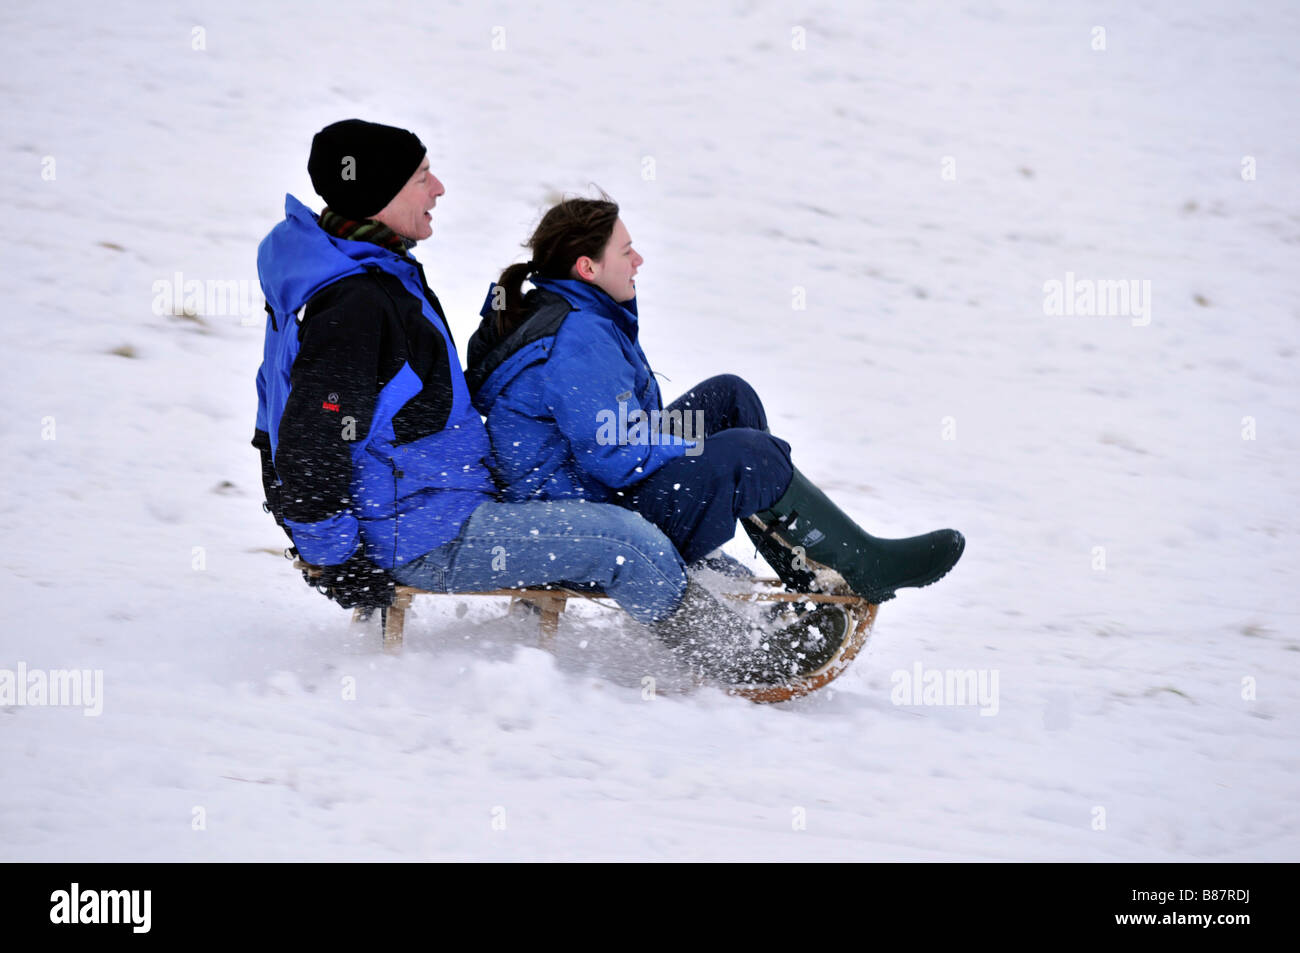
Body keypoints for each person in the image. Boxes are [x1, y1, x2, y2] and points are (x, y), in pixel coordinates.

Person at [252, 120, 844, 686]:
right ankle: (746, 660)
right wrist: (336, 561)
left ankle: (741, 595)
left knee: (651, 501)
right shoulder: (354, 300)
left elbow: (277, 409)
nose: (438, 188)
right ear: (378, 194)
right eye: (421, 177)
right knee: (626, 542)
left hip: (445, 499)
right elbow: (308, 434)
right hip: (423, 533)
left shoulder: (370, 269)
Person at [466, 197, 965, 604]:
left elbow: (615, 438)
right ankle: (865, 568)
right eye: (626, 251)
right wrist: (701, 449)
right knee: (751, 454)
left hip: (588, 485)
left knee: (729, 397)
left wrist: (693, 440)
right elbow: (614, 455)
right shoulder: (578, 336)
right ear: (587, 267)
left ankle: (804, 573)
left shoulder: (572, 311)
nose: (639, 260)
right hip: (587, 515)